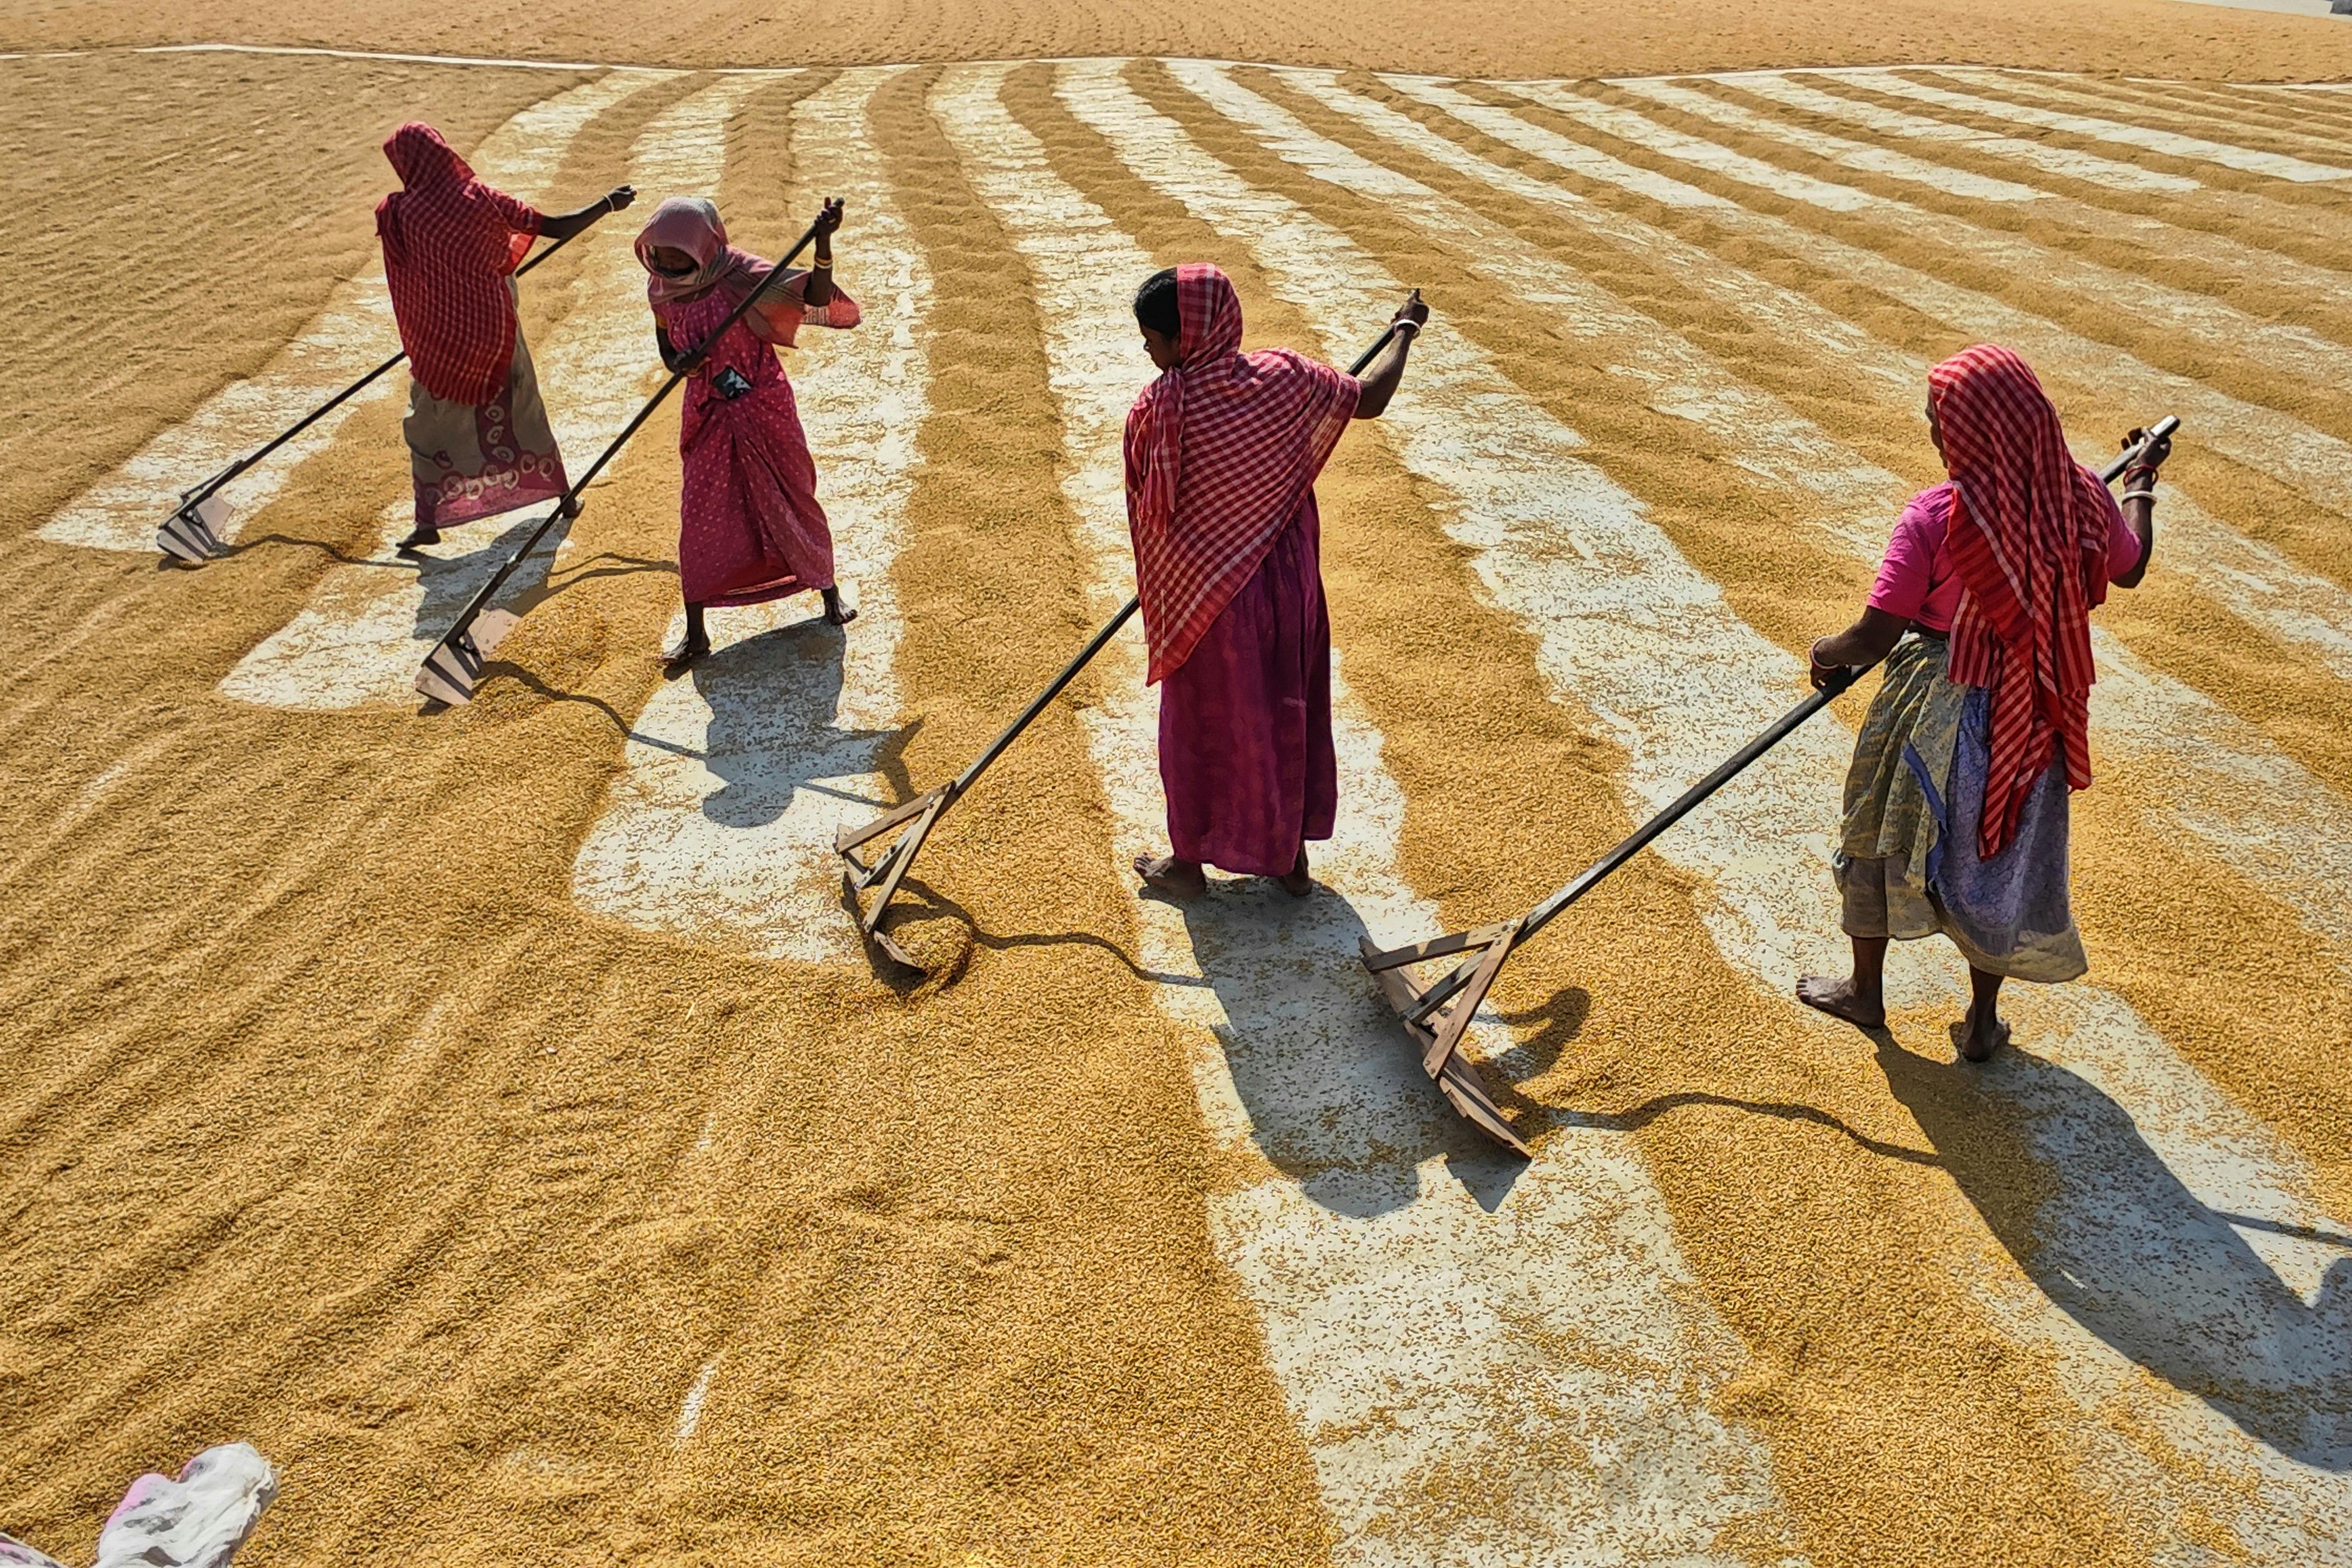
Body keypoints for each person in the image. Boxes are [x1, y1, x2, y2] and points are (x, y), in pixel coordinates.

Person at [1797, 344, 2165, 1061]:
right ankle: (1980, 1024)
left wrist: (1825, 653)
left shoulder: (1936, 516)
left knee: (1880, 827)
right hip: (2035, 715)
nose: (1936, 435)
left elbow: (1877, 634)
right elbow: (2131, 567)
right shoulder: (2084, 496)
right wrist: (2141, 485)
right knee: (1997, 858)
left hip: (1937, 706)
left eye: (1944, 422)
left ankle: (1865, 992)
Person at [1124, 264, 1426, 902]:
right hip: (1287, 587)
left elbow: (1150, 509)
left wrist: (1179, 567)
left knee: (1202, 727)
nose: (1148, 352)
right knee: (1285, 706)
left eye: (1152, 338)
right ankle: (1288, 858)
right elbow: (1368, 398)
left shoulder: (1157, 410)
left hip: (1207, 604)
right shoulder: (1284, 377)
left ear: (1185, 339)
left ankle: (1188, 864)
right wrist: (1404, 332)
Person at [375, 122, 632, 551]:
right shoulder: (480, 199)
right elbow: (554, 226)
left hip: (435, 340)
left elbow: (407, 275)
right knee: (523, 409)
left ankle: (428, 521)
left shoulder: (396, 213)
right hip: (493, 330)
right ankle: (564, 497)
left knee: (427, 426)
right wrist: (608, 203)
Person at [635, 196, 859, 674]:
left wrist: (823, 241)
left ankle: (828, 592)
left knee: (792, 495)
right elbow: (665, 347)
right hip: (708, 414)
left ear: (705, 248)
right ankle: (697, 633)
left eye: (680, 261)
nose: (670, 270)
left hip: (763, 407)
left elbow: (817, 299)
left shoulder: (742, 277)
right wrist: (681, 363)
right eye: (663, 261)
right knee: (701, 515)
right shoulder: (661, 290)